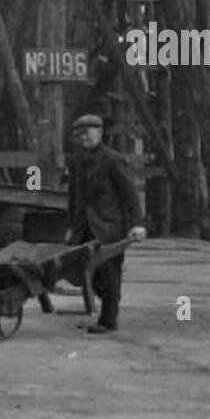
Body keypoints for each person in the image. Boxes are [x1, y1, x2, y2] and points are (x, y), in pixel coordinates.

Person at [63, 113, 147, 333]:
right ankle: (106, 309)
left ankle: (109, 321)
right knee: (87, 272)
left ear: (100, 133)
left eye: (89, 133)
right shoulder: (77, 161)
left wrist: (137, 224)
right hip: (84, 228)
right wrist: (71, 226)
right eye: (80, 135)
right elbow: (74, 197)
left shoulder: (112, 159)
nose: (85, 138)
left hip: (110, 227)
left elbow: (130, 194)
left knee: (109, 272)